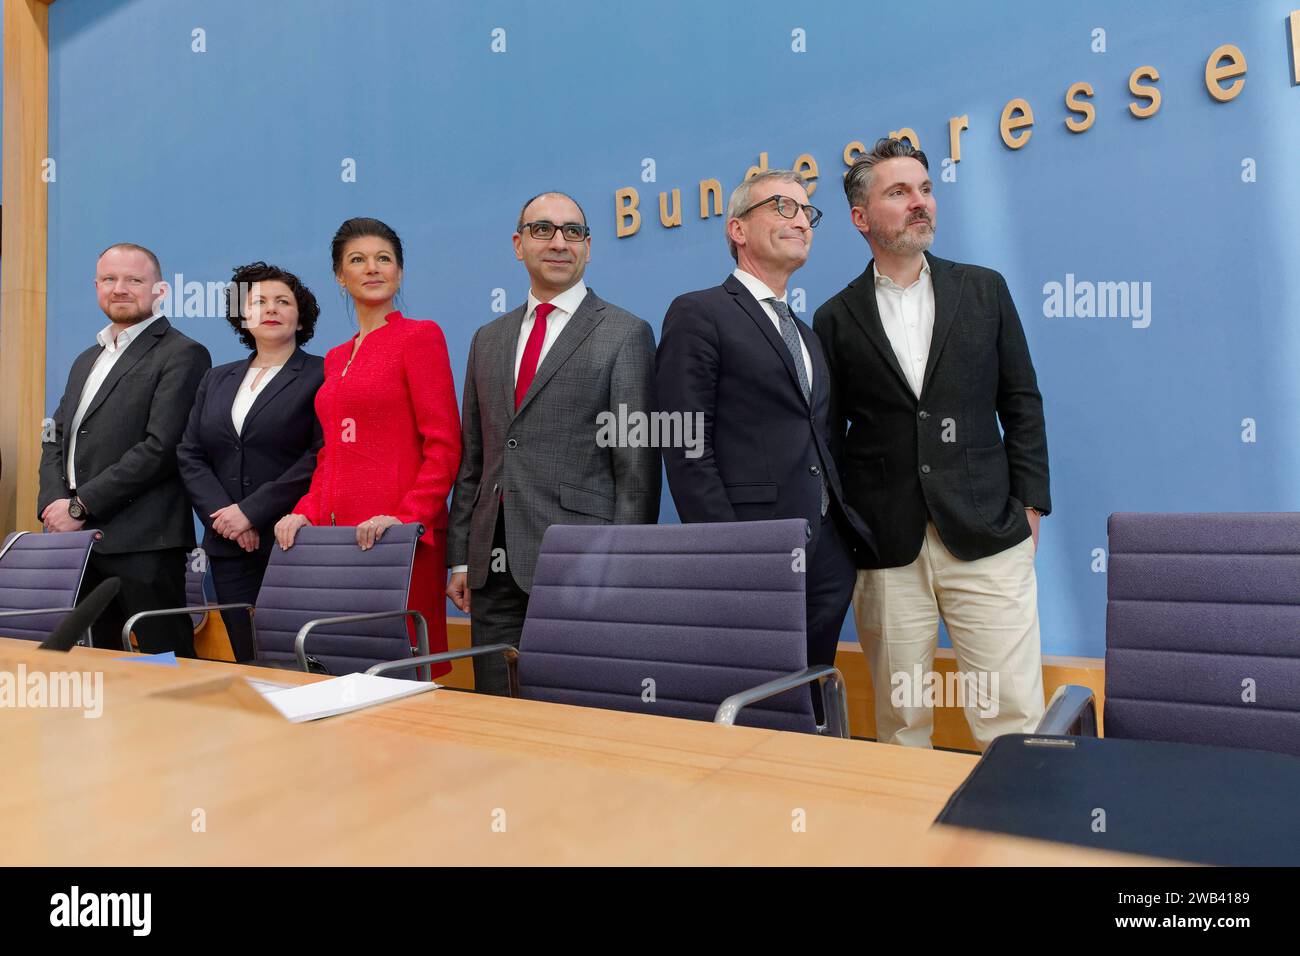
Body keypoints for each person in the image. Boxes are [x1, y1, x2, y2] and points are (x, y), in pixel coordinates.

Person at [813, 137, 1051, 750]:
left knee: (1012, 715)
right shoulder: (834, 318)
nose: (920, 203)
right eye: (899, 192)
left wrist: (1030, 507)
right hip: (887, 549)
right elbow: (830, 437)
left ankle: (1017, 842)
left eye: (924, 189)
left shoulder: (984, 289)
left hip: (989, 536)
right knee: (901, 724)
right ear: (861, 218)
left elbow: (1020, 401)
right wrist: (850, 528)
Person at [656, 171, 876, 717]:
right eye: (782, 206)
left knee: (808, 708)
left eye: (807, 212)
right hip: (752, 551)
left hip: (826, 553)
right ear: (737, 228)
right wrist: (732, 552)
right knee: (756, 713)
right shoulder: (699, 311)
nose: (800, 219)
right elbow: (683, 440)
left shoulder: (805, 332)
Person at [446, 191, 660, 694]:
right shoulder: (487, 338)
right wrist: (462, 556)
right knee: (498, 714)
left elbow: (637, 469)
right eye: (543, 230)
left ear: (589, 247)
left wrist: (621, 564)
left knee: (575, 715)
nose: (559, 242)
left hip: (582, 564)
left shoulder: (625, 333)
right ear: (519, 245)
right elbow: (474, 458)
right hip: (491, 568)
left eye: (573, 232)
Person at [273, 218, 461, 676]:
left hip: (396, 540)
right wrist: (306, 511)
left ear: (399, 270)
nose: (372, 268)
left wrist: (407, 518)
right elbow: (331, 455)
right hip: (336, 542)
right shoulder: (336, 357)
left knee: (399, 678)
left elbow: (444, 444)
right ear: (341, 275)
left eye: (384, 259)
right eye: (358, 260)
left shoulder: (420, 337)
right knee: (343, 672)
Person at [38, 242, 211, 655]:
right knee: (96, 672)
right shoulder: (86, 359)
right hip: (80, 548)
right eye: (109, 279)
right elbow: (55, 437)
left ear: (160, 290)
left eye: (135, 279)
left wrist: (79, 507)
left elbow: (161, 448)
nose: (120, 288)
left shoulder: (183, 353)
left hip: (145, 543)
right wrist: (53, 504)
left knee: (164, 669)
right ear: (96, 286)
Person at [177, 262, 325, 661]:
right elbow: (190, 452)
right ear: (243, 316)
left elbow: (320, 455)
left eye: (283, 301)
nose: (271, 309)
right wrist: (227, 518)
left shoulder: (322, 373)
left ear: (301, 314)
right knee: (248, 657)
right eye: (258, 301)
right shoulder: (217, 379)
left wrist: (252, 512)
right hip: (227, 546)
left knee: (297, 661)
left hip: (290, 540)